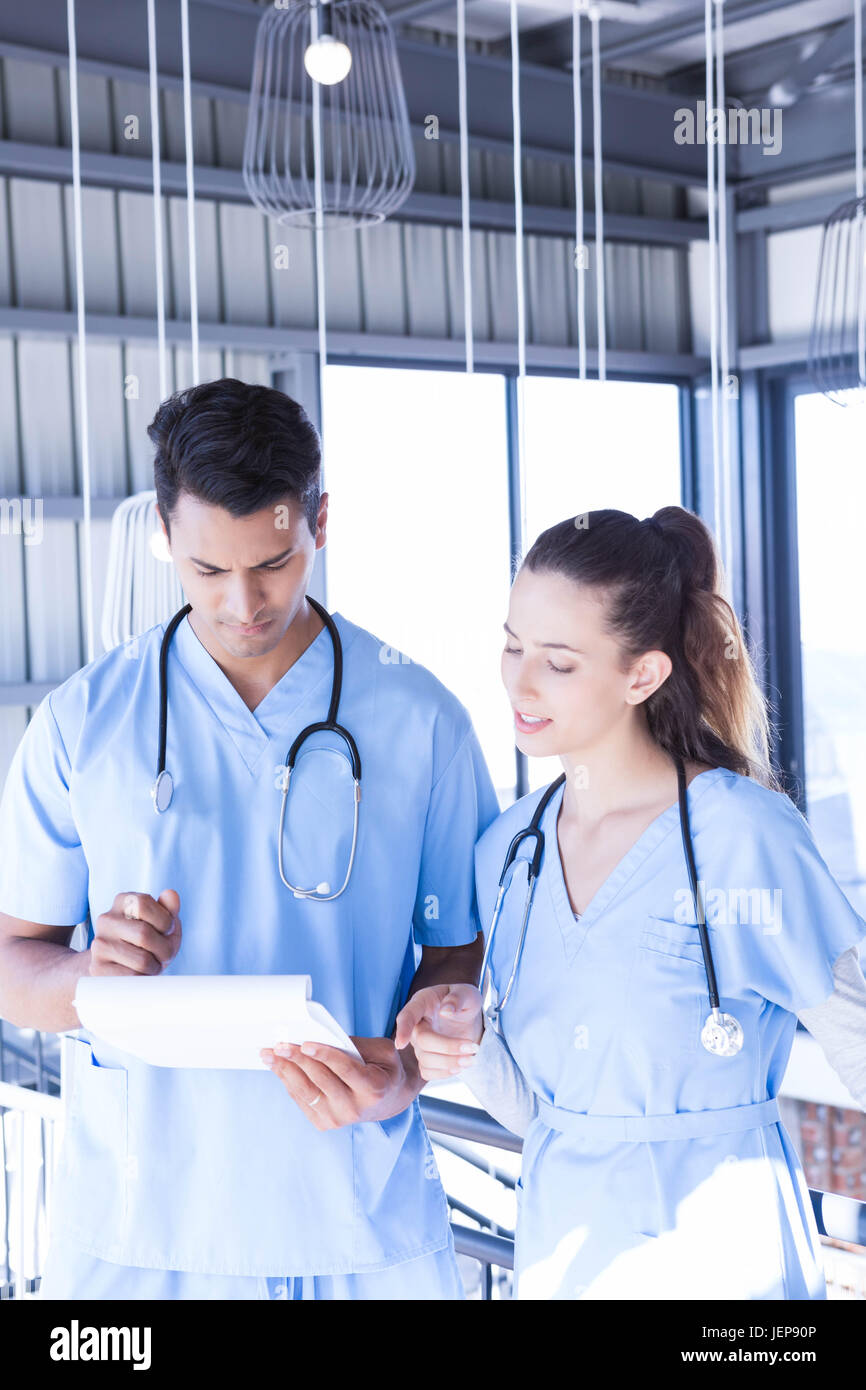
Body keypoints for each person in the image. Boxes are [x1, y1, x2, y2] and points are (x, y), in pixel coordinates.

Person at [0, 378, 500, 1301]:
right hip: (137, 1237)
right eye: (205, 571)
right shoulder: (83, 722)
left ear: (319, 521)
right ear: (164, 533)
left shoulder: (419, 719)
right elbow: (14, 966)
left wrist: (415, 1059)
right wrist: (90, 976)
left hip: (359, 1218)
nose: (242, 602)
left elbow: (458, 951)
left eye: (272, 562)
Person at [398, 506, 866, 1300]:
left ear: (642, 675)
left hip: (725, 1264)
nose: (520, 680)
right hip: (563, 1258)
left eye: (560, 662)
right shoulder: (509, 852)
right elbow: (551, 1117)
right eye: (513, 645)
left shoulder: (739, 833)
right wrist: (466, 1040)